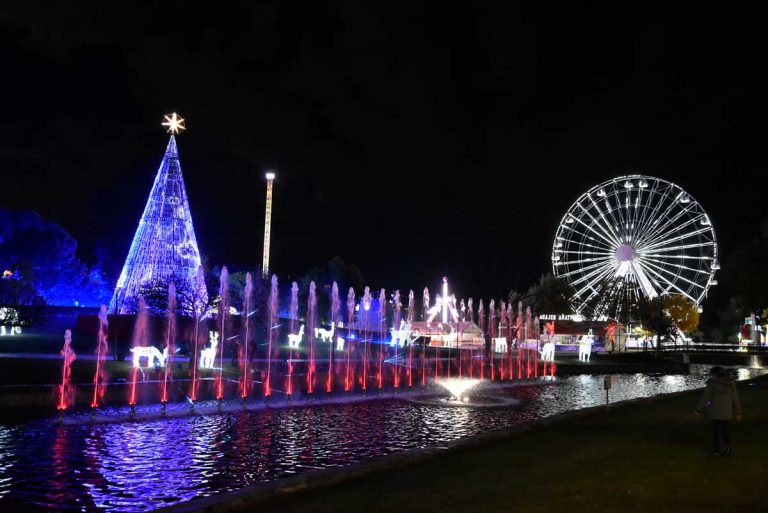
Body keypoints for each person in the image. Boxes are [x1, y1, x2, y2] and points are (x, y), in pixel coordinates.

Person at [695, 366, 742, 456]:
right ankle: (727, 448)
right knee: (725, 431)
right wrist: (737, 412)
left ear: (715, 375)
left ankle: (716, 450)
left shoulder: (712, 384)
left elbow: (706, 398)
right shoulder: (731, 384)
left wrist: (699, 409)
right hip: (727, 412)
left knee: (716, 431)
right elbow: (735, 399)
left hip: (715, 412)